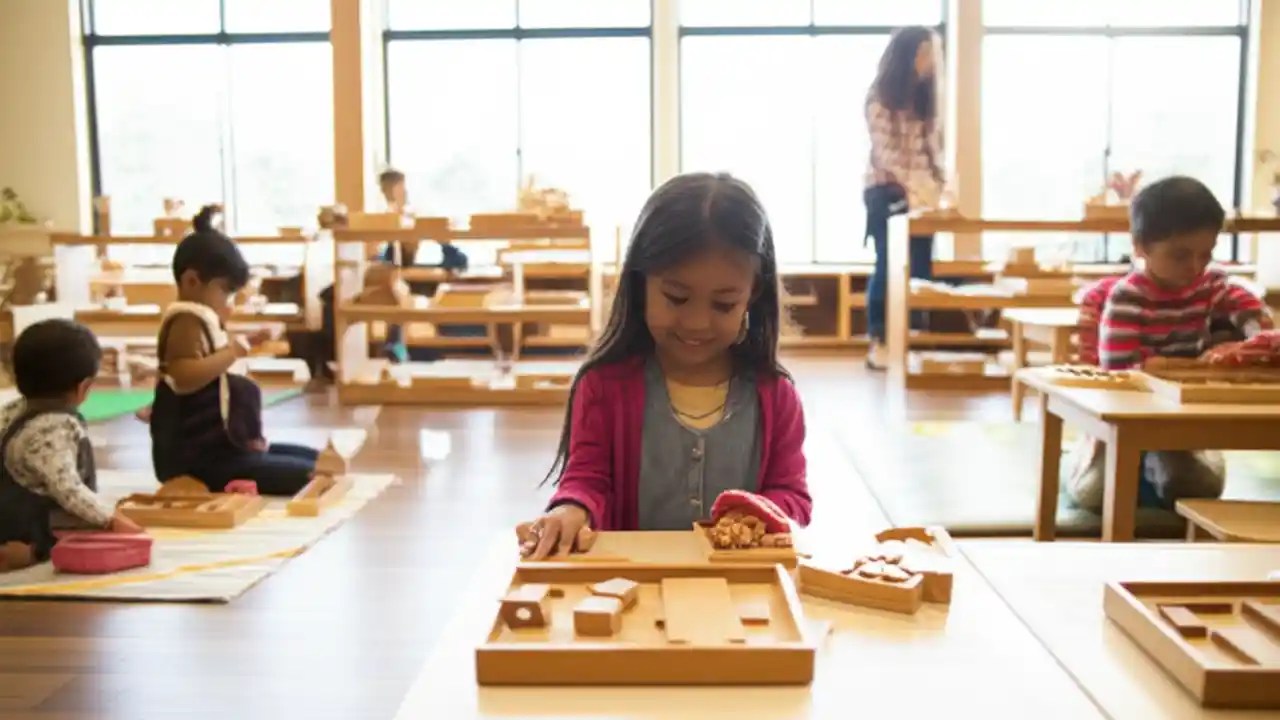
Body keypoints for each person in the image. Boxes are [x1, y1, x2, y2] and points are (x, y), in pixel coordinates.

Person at [517, 172, 812, 560]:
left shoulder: (776, 397)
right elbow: (588, 480)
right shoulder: (604, 387)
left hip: (744, 597)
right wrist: (571, 509)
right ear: (642, 283)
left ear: (752, 295)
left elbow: (793, 498)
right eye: (675, 297)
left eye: (723, 304)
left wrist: (762, 518)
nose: (696, 323)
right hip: (631, 593)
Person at [1066, 176, 1274, 511]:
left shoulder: (1210, 284)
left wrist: (1255, 340)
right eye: (1180, 256)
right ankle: (1082, 453)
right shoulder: (1128, 297)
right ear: (1141, 247)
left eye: (1205, 254)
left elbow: (1250, 311)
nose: (1195, 267)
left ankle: (1165, 462)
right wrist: (1161, 368)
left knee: (1200, 487)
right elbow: (1118, 370)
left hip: (1178, 418)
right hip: (1126, 415)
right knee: (1095, 495)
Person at [150, 205, 320, 496]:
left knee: (315, 461)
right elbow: (184, 376)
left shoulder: (201, 318)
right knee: (308, 474)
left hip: (224, 446)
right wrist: (236, 351)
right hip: (199, 458)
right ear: (192, 281)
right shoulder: (186, 321)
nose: (228, 302)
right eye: (224, 291)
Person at [0, 319, 143, 569]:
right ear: (83, 387)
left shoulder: (12, 410)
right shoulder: (56, 427)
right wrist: (112, 520)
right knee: (75, 532)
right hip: (26, 525)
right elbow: (69, 489)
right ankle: (34, 554)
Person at [863, 26, 945, 370]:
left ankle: (912, 337)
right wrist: (914, 189)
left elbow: (932, 148)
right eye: (924, 53)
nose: (929, 61)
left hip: (923, 193)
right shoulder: (880, 96)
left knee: (921, 267)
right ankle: (879, 339)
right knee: (888, 263)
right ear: (907, 55)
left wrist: (939, 187)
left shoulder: (926, 97)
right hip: (887, 191)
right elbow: (887, 155)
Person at [374, 168, 469, 363]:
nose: (402, 192)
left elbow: (459, 261)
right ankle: (396, 347)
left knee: (402, 296)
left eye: (401, 188)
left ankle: (398, 346)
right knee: (396, 294)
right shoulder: (385, 221)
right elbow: (385, 261)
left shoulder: (413, 216)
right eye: (396, 189)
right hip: (401, 276)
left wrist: (441, 239)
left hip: (420, 276)